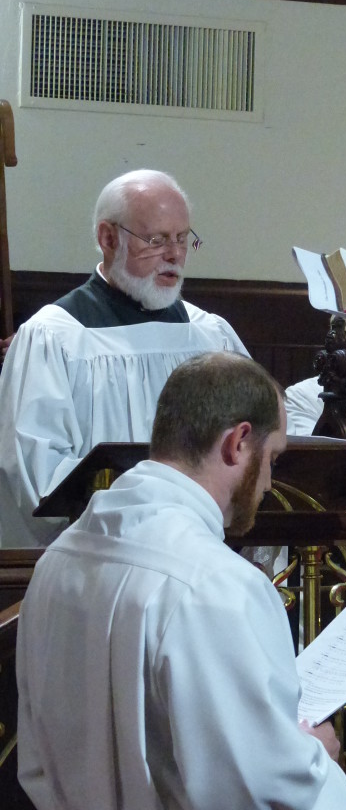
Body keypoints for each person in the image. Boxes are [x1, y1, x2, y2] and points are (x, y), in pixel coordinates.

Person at [16, 351, 346, 810]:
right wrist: (314, 757)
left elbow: (34, 759)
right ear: (237, 442)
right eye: (272, 459)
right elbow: (256, 794)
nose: (270, 483)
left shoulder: (59, 560)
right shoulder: (218, 586)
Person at [0, 169, 247, 547]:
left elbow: (251, 442)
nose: (175, 255)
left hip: (206, 549)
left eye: (183, 239)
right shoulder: (54, 338)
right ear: (108, 238)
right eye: (157, 239)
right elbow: (37, 472)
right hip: (101, 558)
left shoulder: (211, 336)